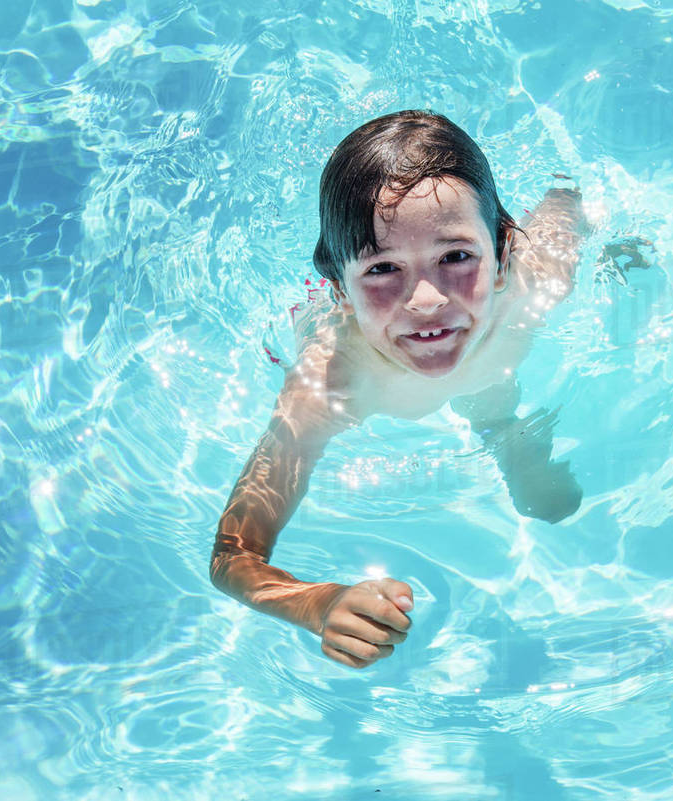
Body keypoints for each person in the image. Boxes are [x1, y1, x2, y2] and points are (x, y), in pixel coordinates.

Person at [211, 109, 598, 670]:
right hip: (371, 362)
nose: (426, 302)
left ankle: (502, 432)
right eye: (382, 269)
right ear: (338, 289)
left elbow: (570, 198)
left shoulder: (539, 281)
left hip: (492, 362)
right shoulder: (331, 384)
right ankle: (502, 428)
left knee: (495, 395)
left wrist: (629, 255)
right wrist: (318, 603)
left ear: (503, 254)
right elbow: (233, 556)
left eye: (456, 257)